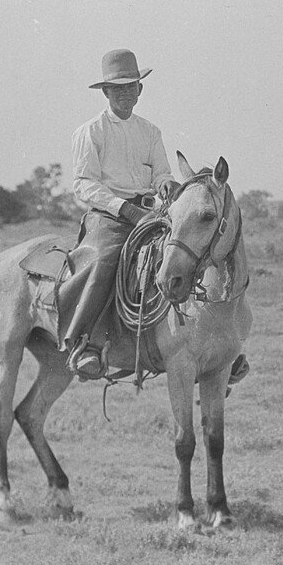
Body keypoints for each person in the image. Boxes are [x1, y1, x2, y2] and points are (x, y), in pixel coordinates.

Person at [60, 48, 176, 378]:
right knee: (105, 260)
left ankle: (202, 342)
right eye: (118, 88)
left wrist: (165, 184)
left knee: (188, 250)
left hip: (149, 212)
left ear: (140, 90)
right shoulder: (91, 132)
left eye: (131, 86)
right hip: (108, 216)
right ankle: (85, 343)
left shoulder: (150, 131)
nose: (125, 93)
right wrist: (123, 208)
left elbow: (161, 172)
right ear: (106, 93)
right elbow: (84, 184)